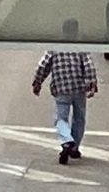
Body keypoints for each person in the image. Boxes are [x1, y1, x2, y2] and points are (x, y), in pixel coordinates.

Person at [32, 22, 99, 164]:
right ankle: (74, 148)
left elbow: (43, 65)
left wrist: (37, 83)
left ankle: (66, 140)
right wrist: (91, 84)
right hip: (79, 89)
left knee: (61, 118)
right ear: (76, 32)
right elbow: (89, 66)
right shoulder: (81, 47)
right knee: (79, 118)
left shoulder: (55, 47)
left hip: (61, 88)